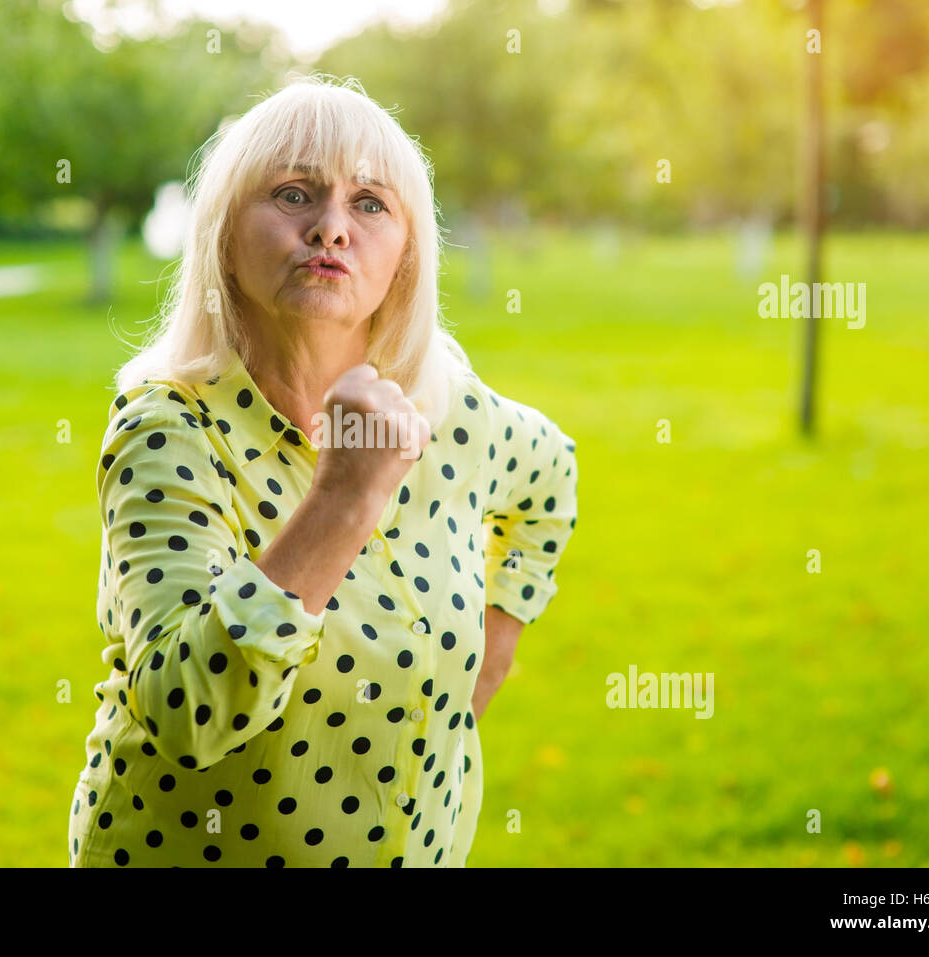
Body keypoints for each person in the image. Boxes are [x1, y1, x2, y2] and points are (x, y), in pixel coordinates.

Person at [68, 73, 578, 867]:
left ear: (407, 253)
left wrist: (498, 636)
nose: (332, 229)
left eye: (370, 203)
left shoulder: (446, 403)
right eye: (294, 194)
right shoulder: (168, 429)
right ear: (223, 237)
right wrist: (343, 498)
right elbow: (187, 714)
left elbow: (551, 475)